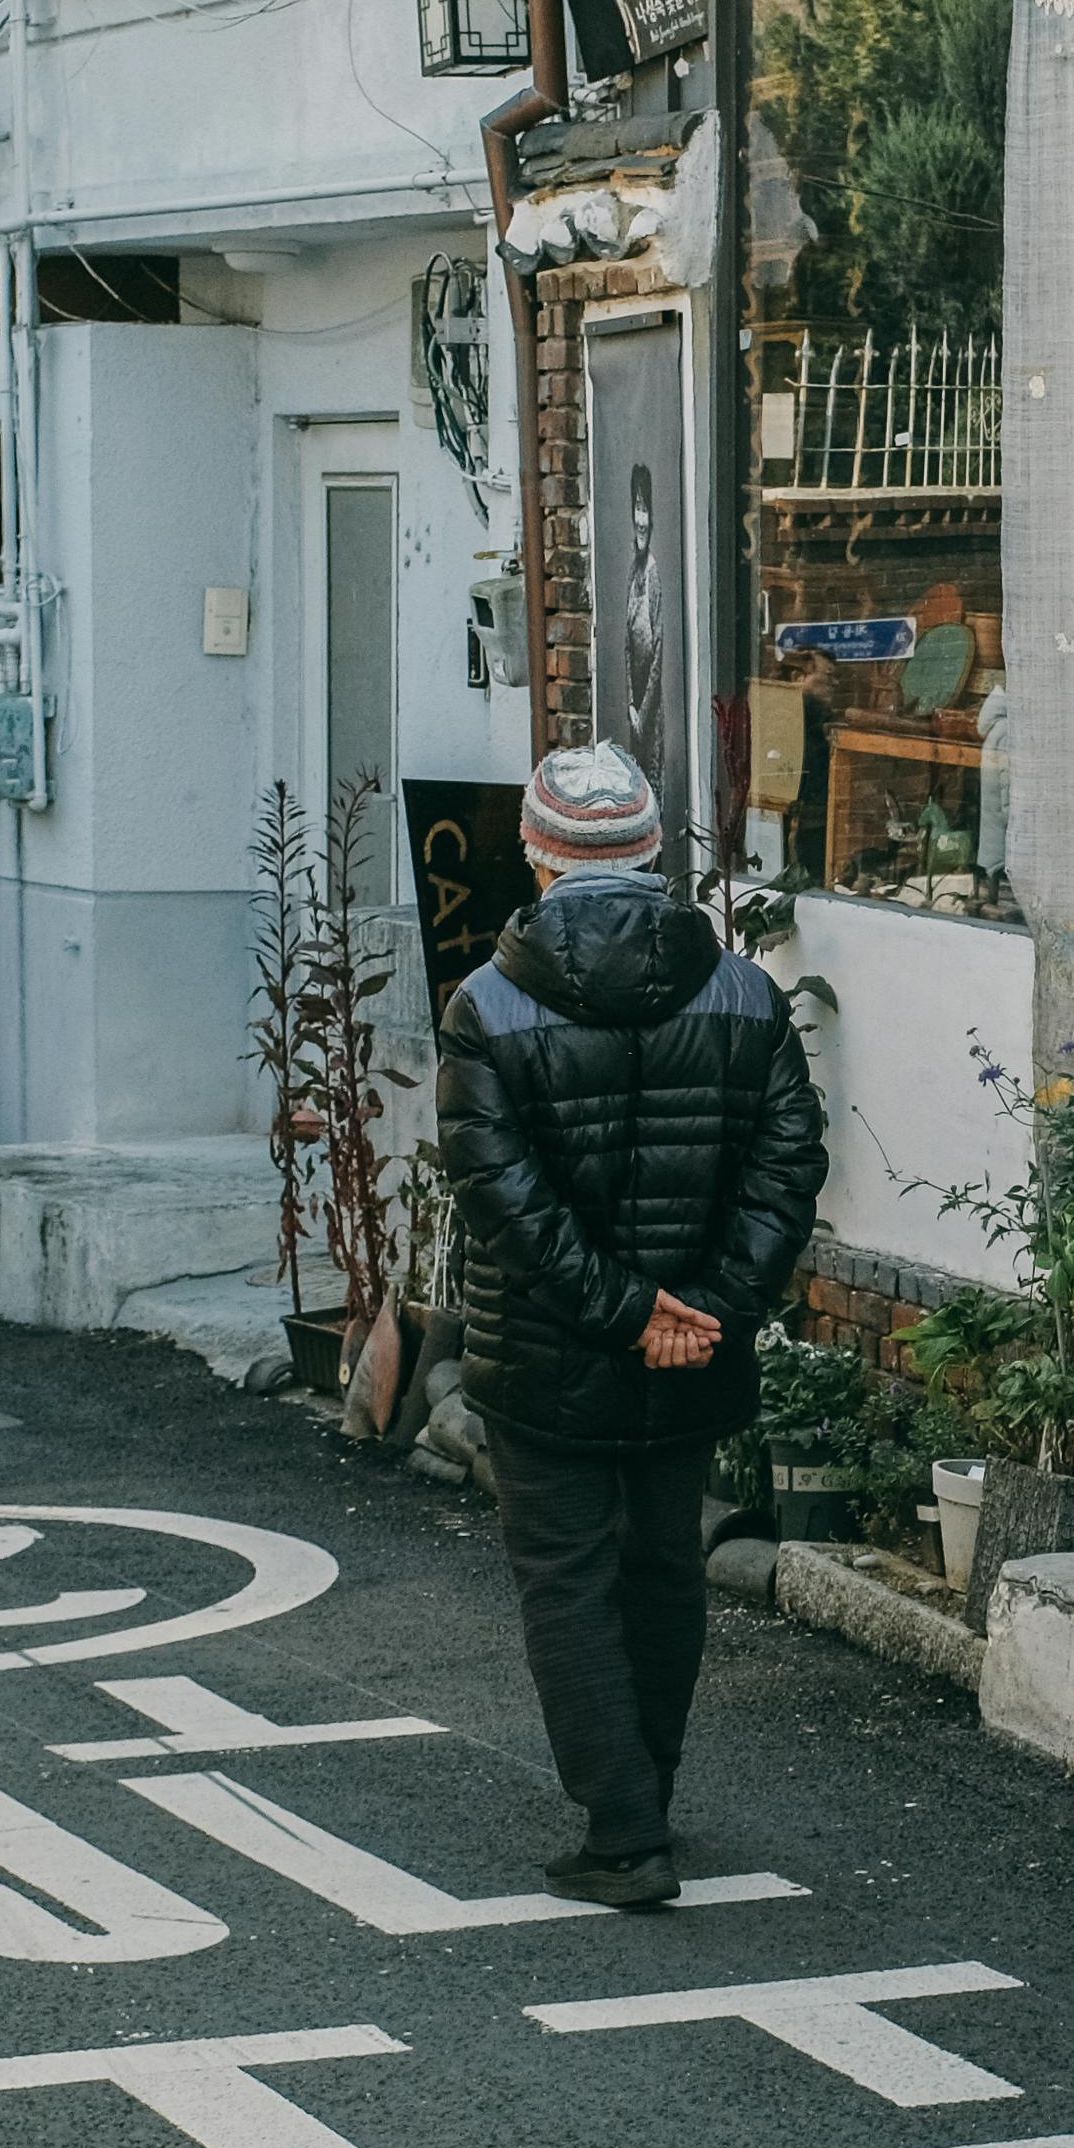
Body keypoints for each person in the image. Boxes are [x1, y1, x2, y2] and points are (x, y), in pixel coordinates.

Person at [435, 743, 823, 1907]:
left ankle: (624, 1829)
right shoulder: (744, 991)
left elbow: (500, 1197)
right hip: (693, 1349)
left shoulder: (486, 1004)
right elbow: (788, 1164)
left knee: (565, 1575)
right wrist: (703, 1307)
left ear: (537, 851)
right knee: (663, 1564)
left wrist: (618, 1307)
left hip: (546, 1346)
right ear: (652, 855)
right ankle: (647, 1785)